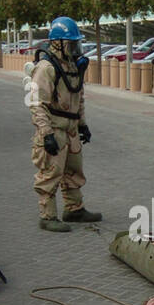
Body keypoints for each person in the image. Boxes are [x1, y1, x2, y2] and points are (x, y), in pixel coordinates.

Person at [29, 17, 102, 232]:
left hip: (70, 130)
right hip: (54, 129)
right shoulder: (46, 68)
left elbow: (78, 98)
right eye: (71, 43)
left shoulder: (71, 67)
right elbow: (36, 103)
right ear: (58, 43)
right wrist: (46, 134)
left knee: (73, 171)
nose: (75, 48)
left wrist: (83, 124)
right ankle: (47, 215)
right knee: (50, 173)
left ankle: (74, 209)